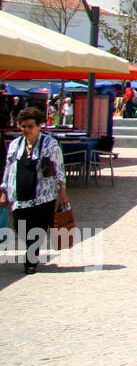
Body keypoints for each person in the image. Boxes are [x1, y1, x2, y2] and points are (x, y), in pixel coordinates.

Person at [1, 107, 69, 274]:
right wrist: (3, 191)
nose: (26, 130)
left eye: (30, 126)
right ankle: (31, 251)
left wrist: (62, 192)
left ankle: (31, 260)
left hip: (44, 195)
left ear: (40, 126)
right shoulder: (15, 145)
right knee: (20, 227)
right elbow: (8, 169)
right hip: (20, 195)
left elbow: (59, 169)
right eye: (23, 126)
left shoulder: (50, 144)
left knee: (38, 228)